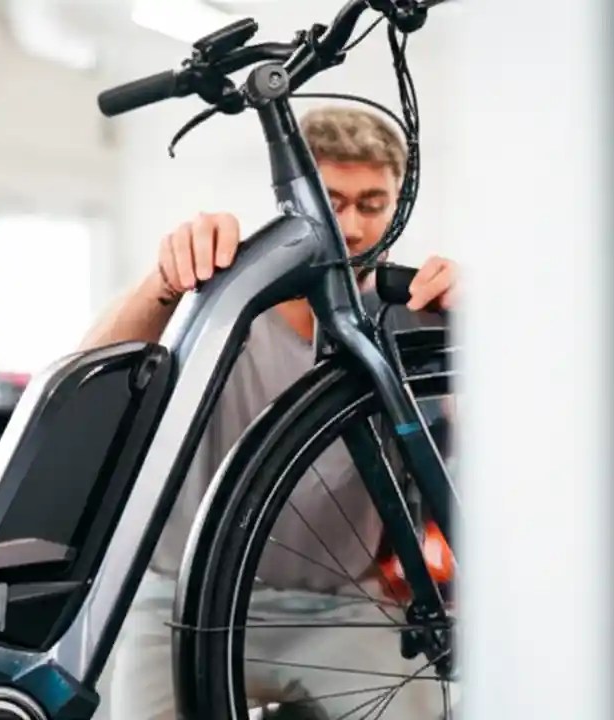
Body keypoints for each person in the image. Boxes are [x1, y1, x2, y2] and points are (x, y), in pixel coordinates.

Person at [83, 107, 458, 719]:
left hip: (341, 606)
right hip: (185, 599)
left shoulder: (407, 313)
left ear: (397, 203)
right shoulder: (228, 306)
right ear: (294, 202)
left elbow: (504, 432)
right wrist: (161, 283)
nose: (354, 227)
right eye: (332, 201)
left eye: (372, 203)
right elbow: (90, 374)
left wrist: (479, 318)